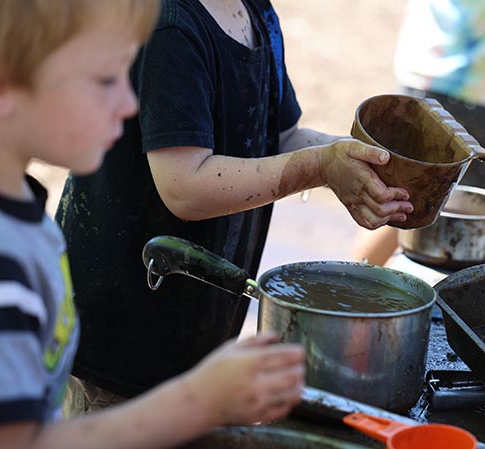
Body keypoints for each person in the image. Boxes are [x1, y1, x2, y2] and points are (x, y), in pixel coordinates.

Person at [56, 0, 414, 411]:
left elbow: (281, 138)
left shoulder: (254, 11)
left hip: (194, 323)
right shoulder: (168, 29)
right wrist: (319, 168)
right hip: (122, 331)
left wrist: (360, 159)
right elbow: (185, 187)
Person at [0, 1, 306, 448]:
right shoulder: (1, 263)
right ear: (0, 83)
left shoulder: (25, 224)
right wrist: (198, 400)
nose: (129, 102)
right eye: (104, 79)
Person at [350, 0, 485, 265]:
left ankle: (346, 293)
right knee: (421, 215)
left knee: (400, 209)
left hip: (442, 67)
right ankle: (347, 294)